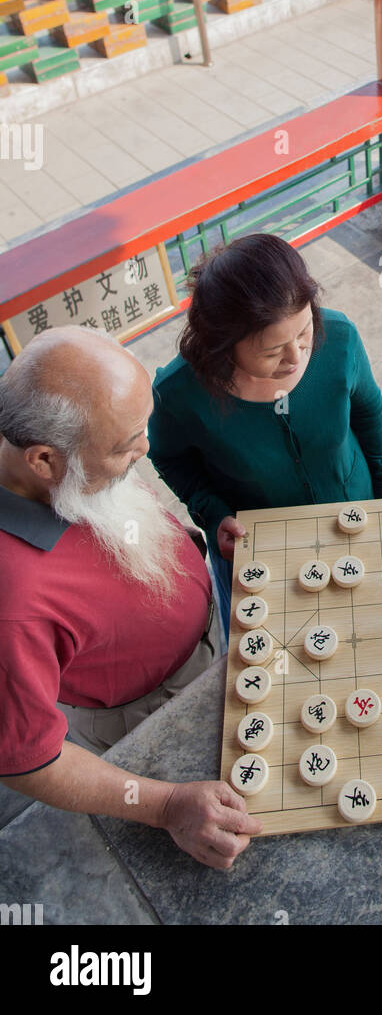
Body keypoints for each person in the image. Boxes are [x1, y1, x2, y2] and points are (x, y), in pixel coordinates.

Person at [0, 327, 261, 870]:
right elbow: (29, 760)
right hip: (148, 708)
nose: (145, 451)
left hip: (205, 635)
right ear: (44, 462)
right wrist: (166, 805)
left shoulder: (64, 464)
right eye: (126, 447)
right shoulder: (14, 604)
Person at [147, 232, 382, 635]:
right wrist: (213, 513)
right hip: (263, 549)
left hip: (355, 509)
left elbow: (369, 414)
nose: (296, 356)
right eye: (271, 351)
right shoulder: (179, 394)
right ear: (222, 345)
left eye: (303, 333)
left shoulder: (339, 338)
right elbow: (168, 456)